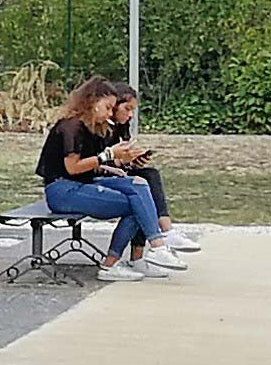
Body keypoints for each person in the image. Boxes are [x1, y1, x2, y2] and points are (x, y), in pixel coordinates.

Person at [39, 78, 177, 283]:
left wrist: (117, 163)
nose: (110, 113)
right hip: (62, 190)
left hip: (82, 183)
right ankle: (120, 260)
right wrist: (108, 155)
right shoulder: (71, 126)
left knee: (139, 184)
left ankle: (155, 246)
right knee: (136, 206)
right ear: (92, 101)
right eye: (107, 107)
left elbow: (90, 164)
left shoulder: (91, 127)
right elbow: (72, 167)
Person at [109, 91, 196, 252]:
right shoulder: (99, 126)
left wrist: (131, 163)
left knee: (149, 176)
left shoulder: (120, 127)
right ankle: (162, 235)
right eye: (127, 109)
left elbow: (113, 161)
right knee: (141, 193)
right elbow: (97, 161)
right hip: (96, 177)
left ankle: (152, 242)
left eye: (132, 111)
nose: (130, 115)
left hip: (111, 172)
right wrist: (120, 161)